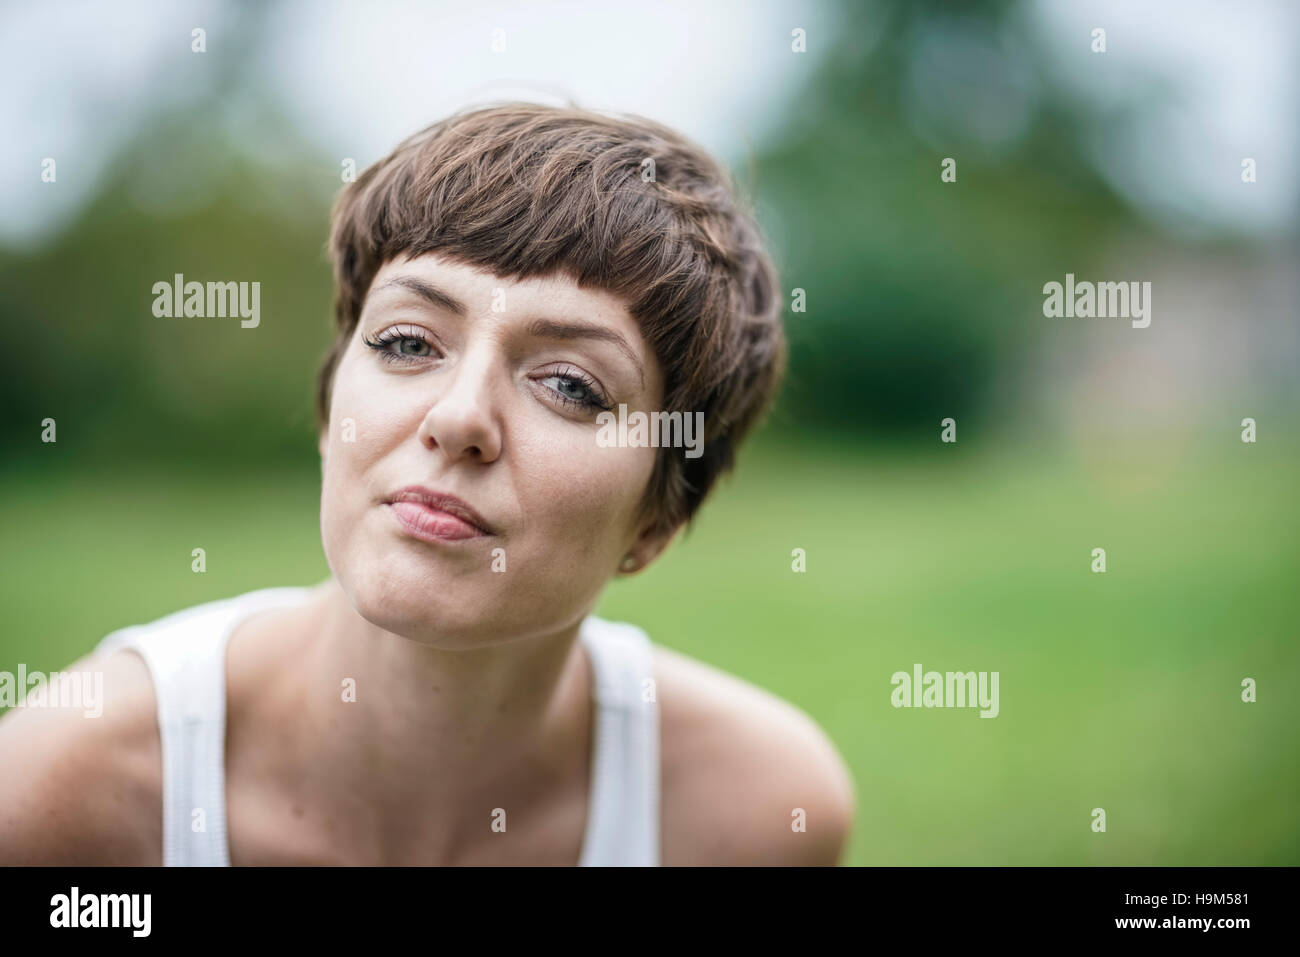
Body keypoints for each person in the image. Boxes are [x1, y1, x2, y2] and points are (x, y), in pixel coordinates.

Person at [0, 102, 855, 866]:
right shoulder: (63, 795)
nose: (458, 417)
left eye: (570, 386)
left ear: (658, 520)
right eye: (408, 341)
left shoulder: (750, 813)